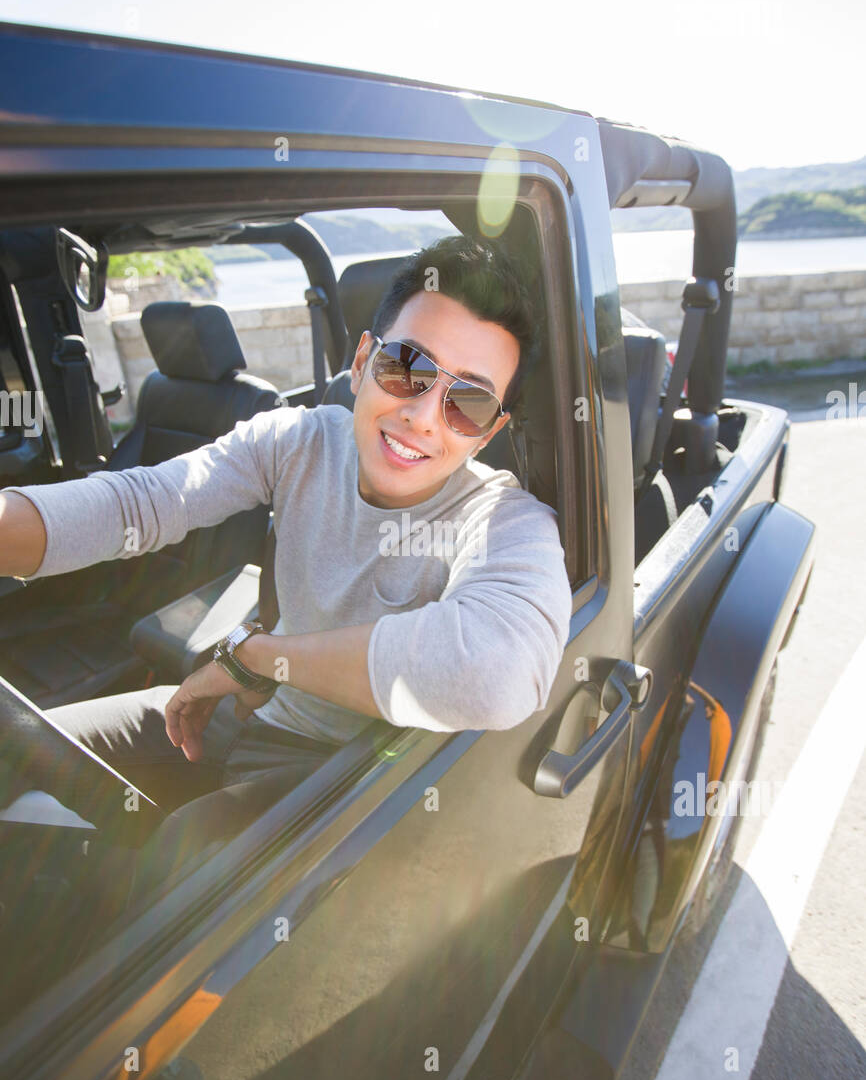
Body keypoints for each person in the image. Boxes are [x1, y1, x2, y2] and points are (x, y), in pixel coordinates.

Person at [0, 234, 573, 909]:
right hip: (248, 714)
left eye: (467, 402)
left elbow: (500, 670)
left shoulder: (502, 520)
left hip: (334, 760)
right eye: (408, 367)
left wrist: (255, 659)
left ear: (488, 429)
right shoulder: (298, 441)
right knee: (17, 738)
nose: (423, 416)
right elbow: (147, 499)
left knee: (173, 862)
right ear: (363, 361)